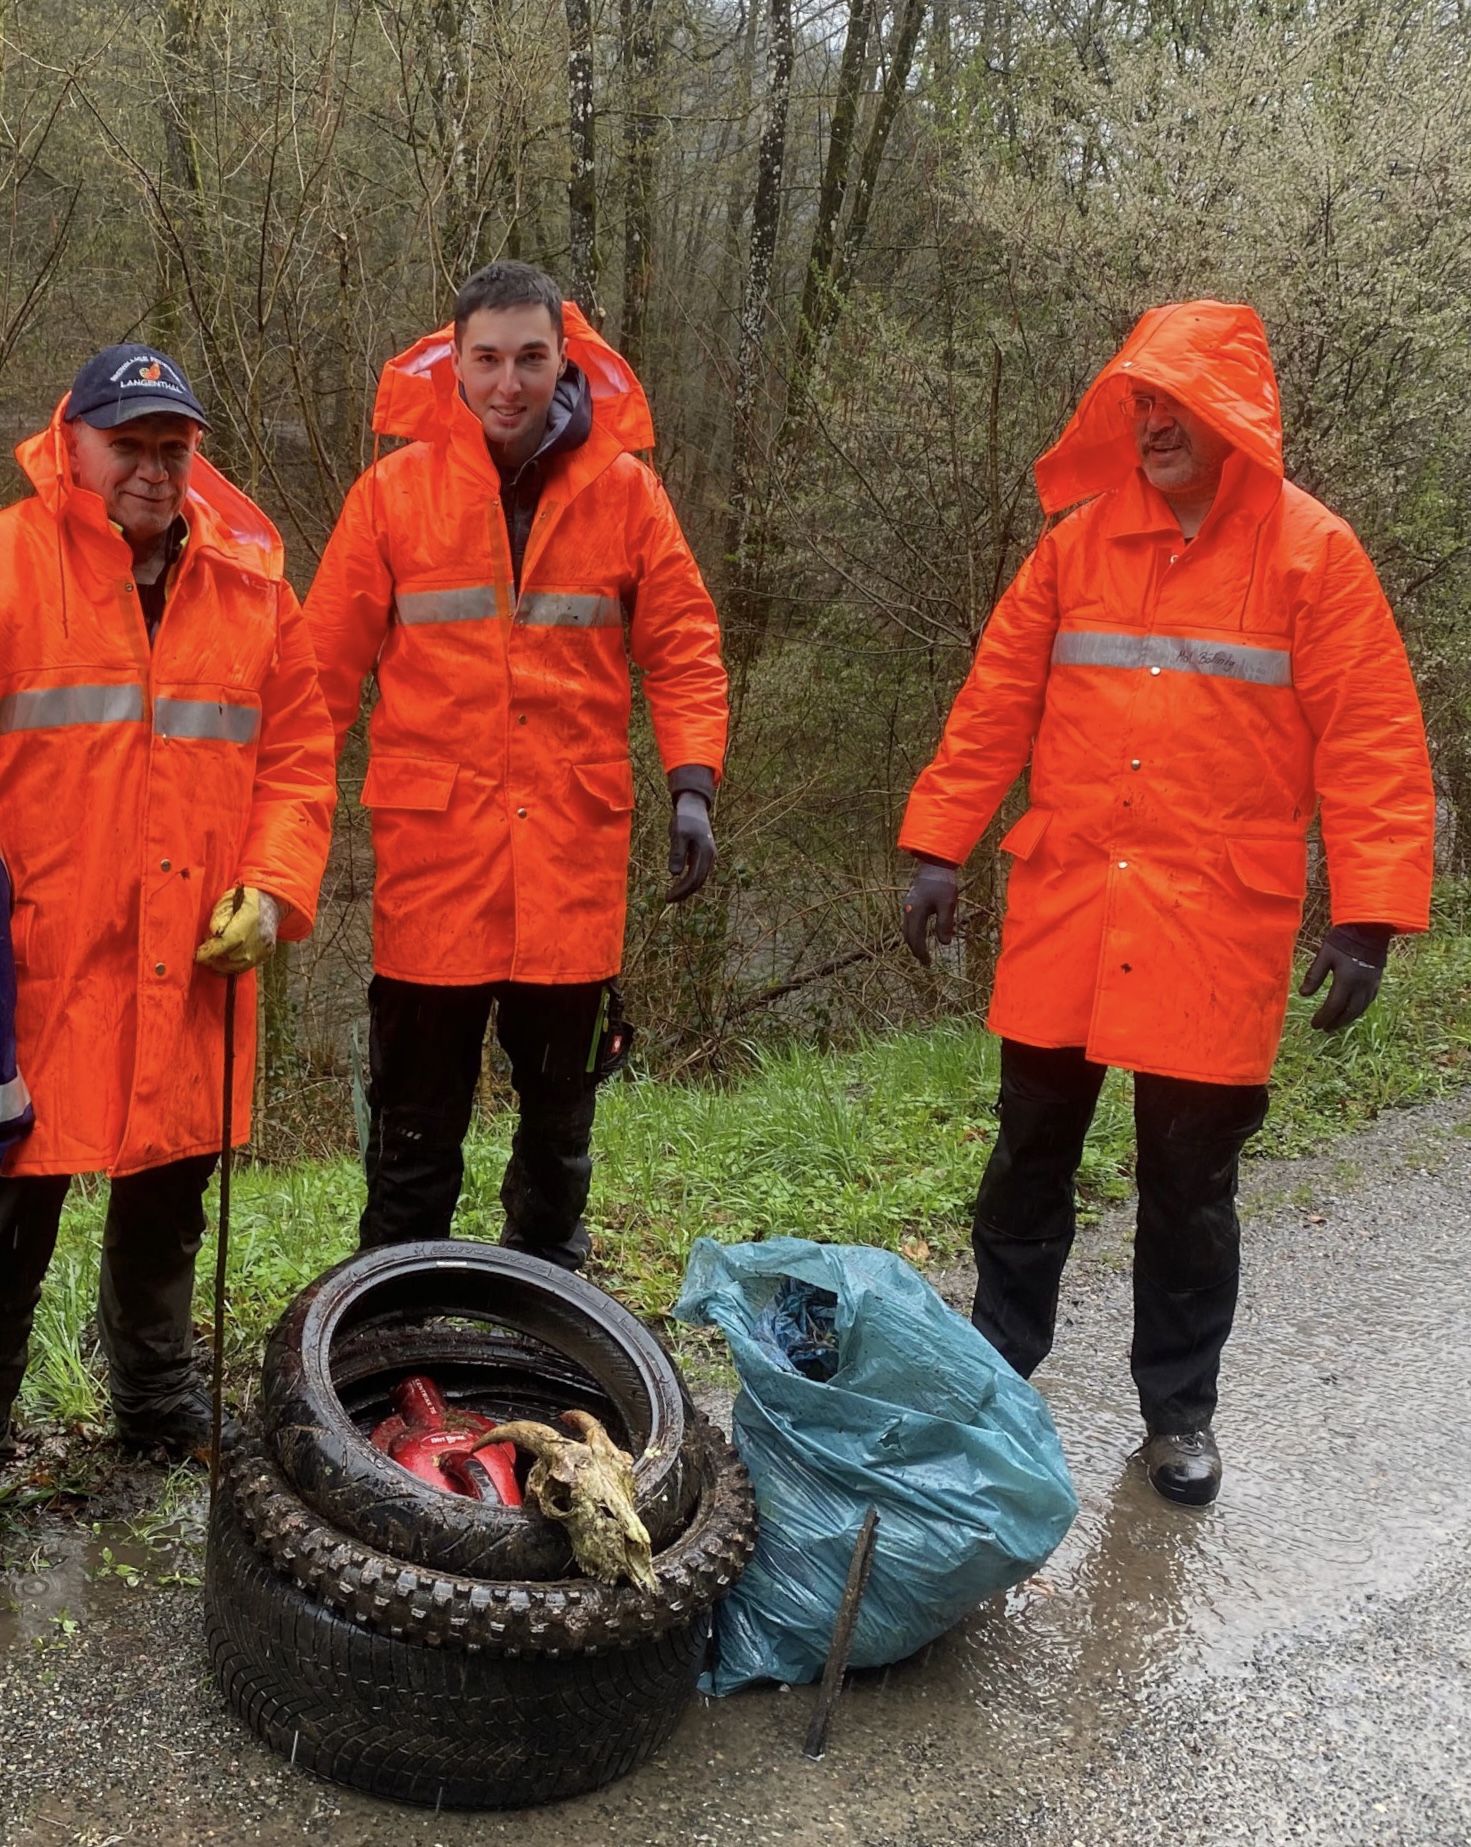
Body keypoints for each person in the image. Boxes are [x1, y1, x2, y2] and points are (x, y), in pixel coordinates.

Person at [899, 301, 1434, 1506]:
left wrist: (1368, 914)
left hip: (1212, 926)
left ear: (1230, 416)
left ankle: (1178, 1414)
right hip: (1070, 906)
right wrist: (940, 842)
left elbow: (1373, 743)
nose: (1149, 426)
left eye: (1170, 406)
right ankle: (996, 1374)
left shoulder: (1312, 555)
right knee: (1026, 1156)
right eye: (1136, 405)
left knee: (1189, 1185)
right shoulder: (1076, 546)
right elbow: (995, 699)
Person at [306, 260, 728, 1269]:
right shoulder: (391, 495)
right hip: (432, 871)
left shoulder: (626, 494)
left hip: (569, 872)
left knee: (558, 1143)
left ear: (562, 360)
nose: (508, 382)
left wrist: (692, 782)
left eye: (529, 358)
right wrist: (282, 834)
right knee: (411, 1141)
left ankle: (544, 1328)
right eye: (487, 358)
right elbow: (318, 673)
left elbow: (682, 642)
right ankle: (392, 1334)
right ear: (452, 363)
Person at [0, 344, 337, 1459]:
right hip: (35, 964)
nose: (151, 468)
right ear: (74, 444)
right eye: (128, 445)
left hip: (189, 961)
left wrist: (277, 884)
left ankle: (152, 1404)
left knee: (167, 1199)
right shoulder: (10, 564)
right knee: (11, 1214)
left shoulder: (251, 585)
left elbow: (297, 756)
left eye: (171, 447)